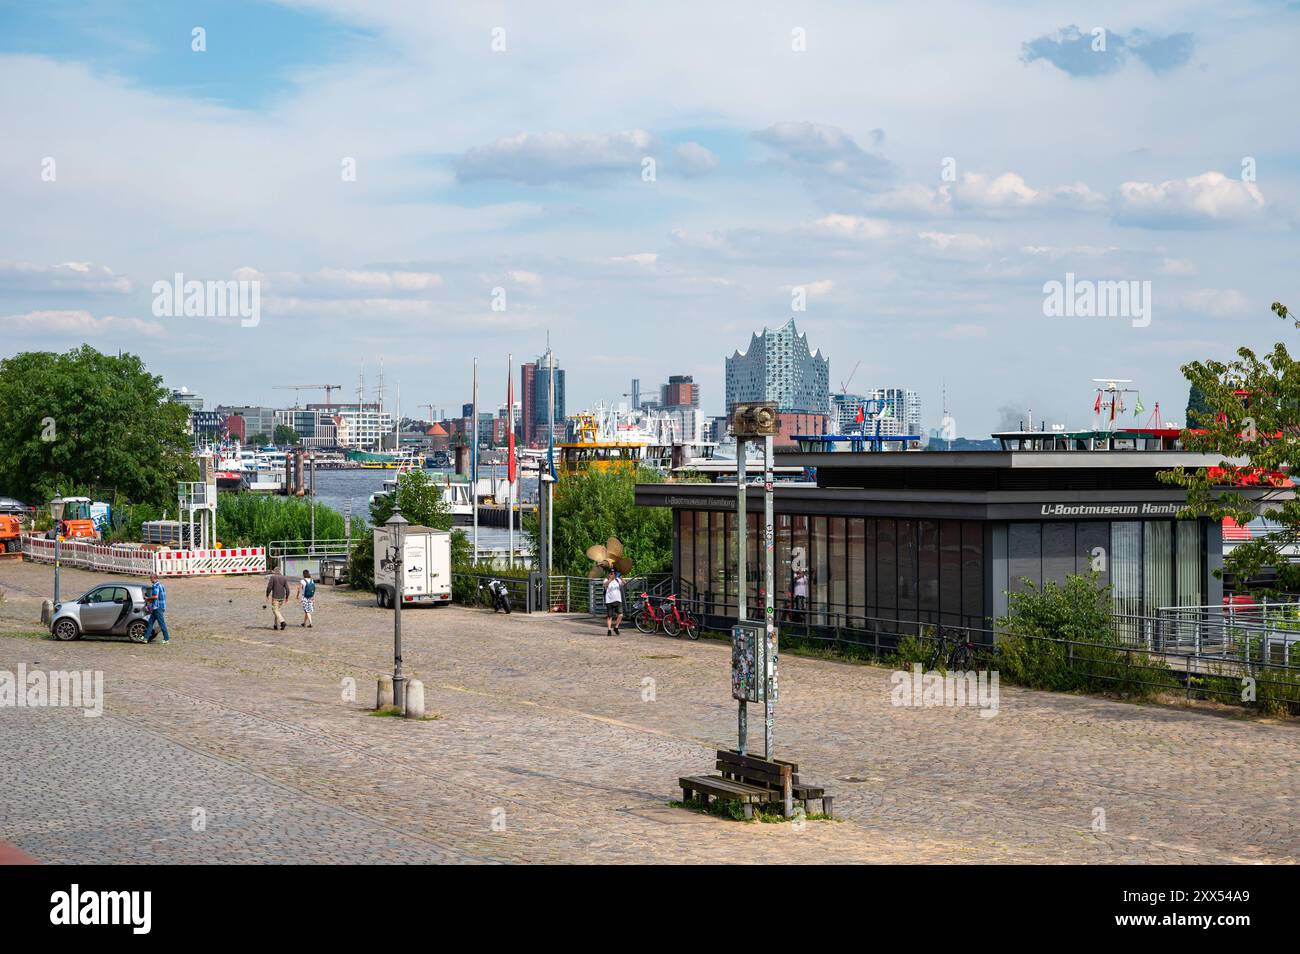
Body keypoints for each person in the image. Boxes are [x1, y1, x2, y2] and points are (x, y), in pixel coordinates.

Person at [143, 573, 170, 644]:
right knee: (150, 622)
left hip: (157, 607)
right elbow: (161, 596)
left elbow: (155, 597)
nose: (150, 580)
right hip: (159, 606)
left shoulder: (155, 586)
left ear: (153, 578)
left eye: (150, 578)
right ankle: (145, 638)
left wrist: (147, 598)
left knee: (161, 623)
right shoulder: (161, 585)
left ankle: (166, 639)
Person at [265, 561, 290, 630]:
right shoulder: (284, 578)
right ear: (280, 571)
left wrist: (267, 594)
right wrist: (287, 597)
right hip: (282, 597)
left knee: (275, 610)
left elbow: (269, 587)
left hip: (275, 597)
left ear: (274, 571)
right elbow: (287, 589)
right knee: (277, 611)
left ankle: (282, 622)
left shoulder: (273, 578)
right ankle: (275, 625)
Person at [603, 568, 624, 636]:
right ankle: (609, 630)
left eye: (614, 573)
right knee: (610, 616)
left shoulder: (617, 580)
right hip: (609, 600)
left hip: (618, 599)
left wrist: (621, 578)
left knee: (620, 615)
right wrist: (610, 579)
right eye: (611, 573)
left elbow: (624, 583)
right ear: (608, 574)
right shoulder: (606, 580)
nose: (613, 574)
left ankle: (616, 627)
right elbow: (605, 585)